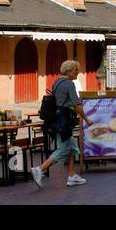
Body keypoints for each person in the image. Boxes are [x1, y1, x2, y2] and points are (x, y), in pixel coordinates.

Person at [30, 59, 93, 188]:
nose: (78, 72)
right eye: (76, 70)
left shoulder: (57, 82)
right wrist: (86, 119)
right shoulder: (69, 84)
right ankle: (40, 169)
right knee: (63, 149)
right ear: (69, 71)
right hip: (63, 121)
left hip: (56, 121)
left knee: (71, 146)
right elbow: (76, 105)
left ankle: (71, 176)